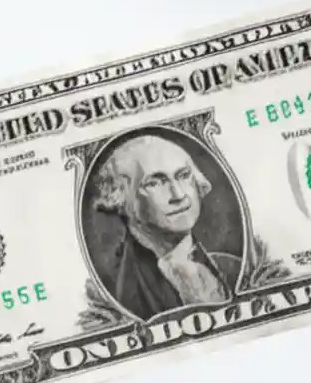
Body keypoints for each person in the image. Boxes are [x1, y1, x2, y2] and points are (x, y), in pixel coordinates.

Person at [92, 134, 241, 319]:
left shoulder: (235, 268)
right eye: (154, 183)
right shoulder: (112, 295)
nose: (179, 195)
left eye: (184, 176)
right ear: (120, 197)